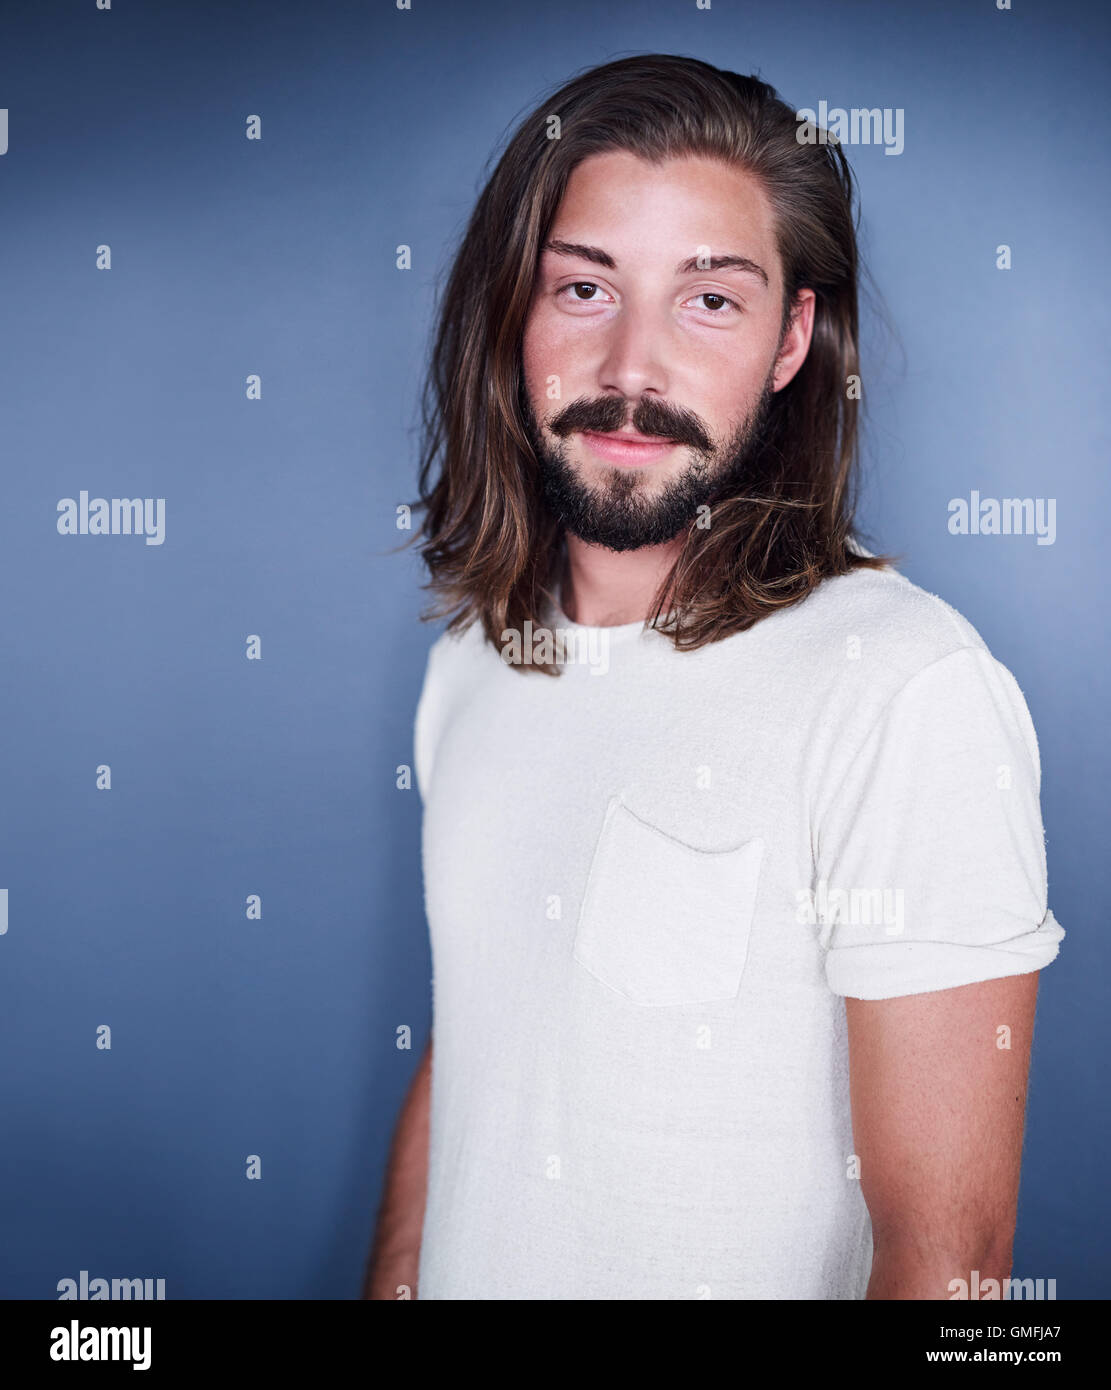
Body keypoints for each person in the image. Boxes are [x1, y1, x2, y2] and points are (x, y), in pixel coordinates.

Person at [364, 53, 1064, 1301]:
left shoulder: (904, 688)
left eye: (709, 301)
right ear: (509, 317)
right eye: (584, 287)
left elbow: (953, 1270)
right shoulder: (472, 659)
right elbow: (482, 1045)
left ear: (793, 337)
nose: (633, 366)